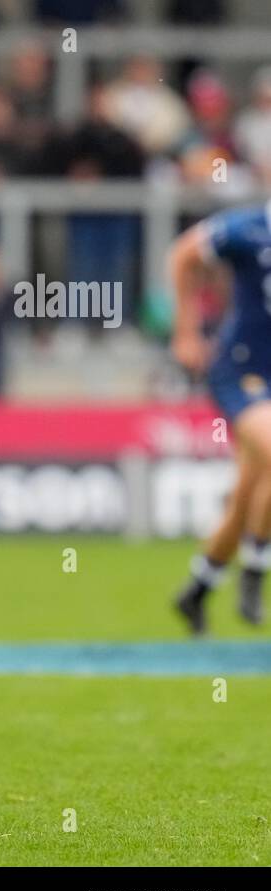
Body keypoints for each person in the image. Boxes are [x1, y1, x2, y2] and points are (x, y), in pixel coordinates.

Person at [171, 202, 271, 634]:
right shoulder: (247, 229)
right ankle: (256, 565)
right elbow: (183, 255)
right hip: (242, 369)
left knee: (250, 488)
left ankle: (198, 587)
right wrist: (187, 331)